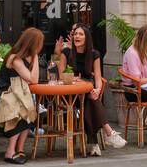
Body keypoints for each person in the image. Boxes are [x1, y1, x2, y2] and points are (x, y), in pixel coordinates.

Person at [54, 23, 127, 154]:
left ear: (86, 38)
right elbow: (60, 77)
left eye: (80, 34)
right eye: (75, 33)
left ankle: (95, 143)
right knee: (90, 100)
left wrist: (98, 90)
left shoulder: (94, 54)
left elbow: (98, 78)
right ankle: (108, 133)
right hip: (70, 93)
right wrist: (71, 79)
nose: (77, 36)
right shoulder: (66, 53)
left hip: (87, 90)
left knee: (90, 99)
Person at [0, 26, 42, 164]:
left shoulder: (27, 57)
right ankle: (10, 151)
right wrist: (36, 56)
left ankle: (20, 149)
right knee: (22, 107)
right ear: (32, 44)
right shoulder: (15, 58)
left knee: (28, 107)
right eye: (38, 44)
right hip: (1, 94)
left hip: (16, 94)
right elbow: (33, 79)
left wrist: (34, 57)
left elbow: (33, 78)